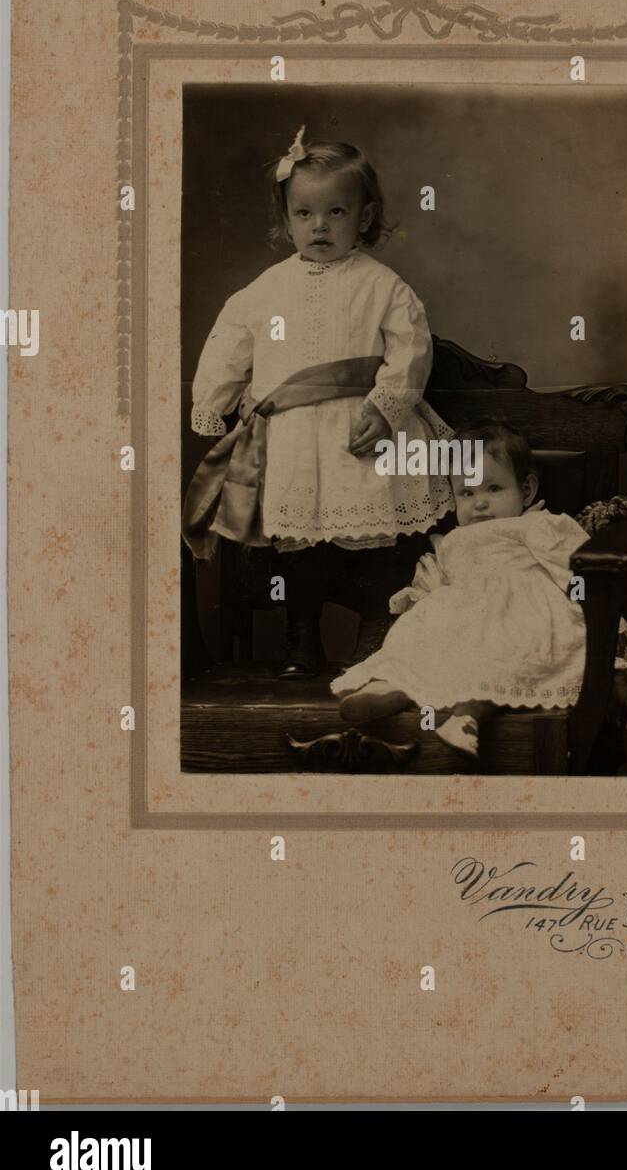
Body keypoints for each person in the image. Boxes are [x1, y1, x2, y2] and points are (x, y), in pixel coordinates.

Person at [183, 126, 454, 676]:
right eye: (304, 214)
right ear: (287, 220)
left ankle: (376, 629)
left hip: (363, 432)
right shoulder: (264, 290)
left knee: (379, 542)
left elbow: (410, 351)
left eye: (336, 212)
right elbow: (229, 346)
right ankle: (301, 636)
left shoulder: (384, 286)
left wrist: (387, 407)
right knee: (298, 546)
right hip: (291, 441)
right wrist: (214, 406)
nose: (320, 226)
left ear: (365, 217)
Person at [331, 419, 591, 755]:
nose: (479, 503)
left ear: (526, 490)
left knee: (501, 658)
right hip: (462, 614)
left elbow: (574, 567)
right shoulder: (452, 540)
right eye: (467, 493)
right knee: (415, 638)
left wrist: (602, 617)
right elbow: (439, 578)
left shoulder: (535, 526)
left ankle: (467, 717)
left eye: (493, 489)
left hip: (519, 616)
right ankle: (391, 686)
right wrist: (420, 597)